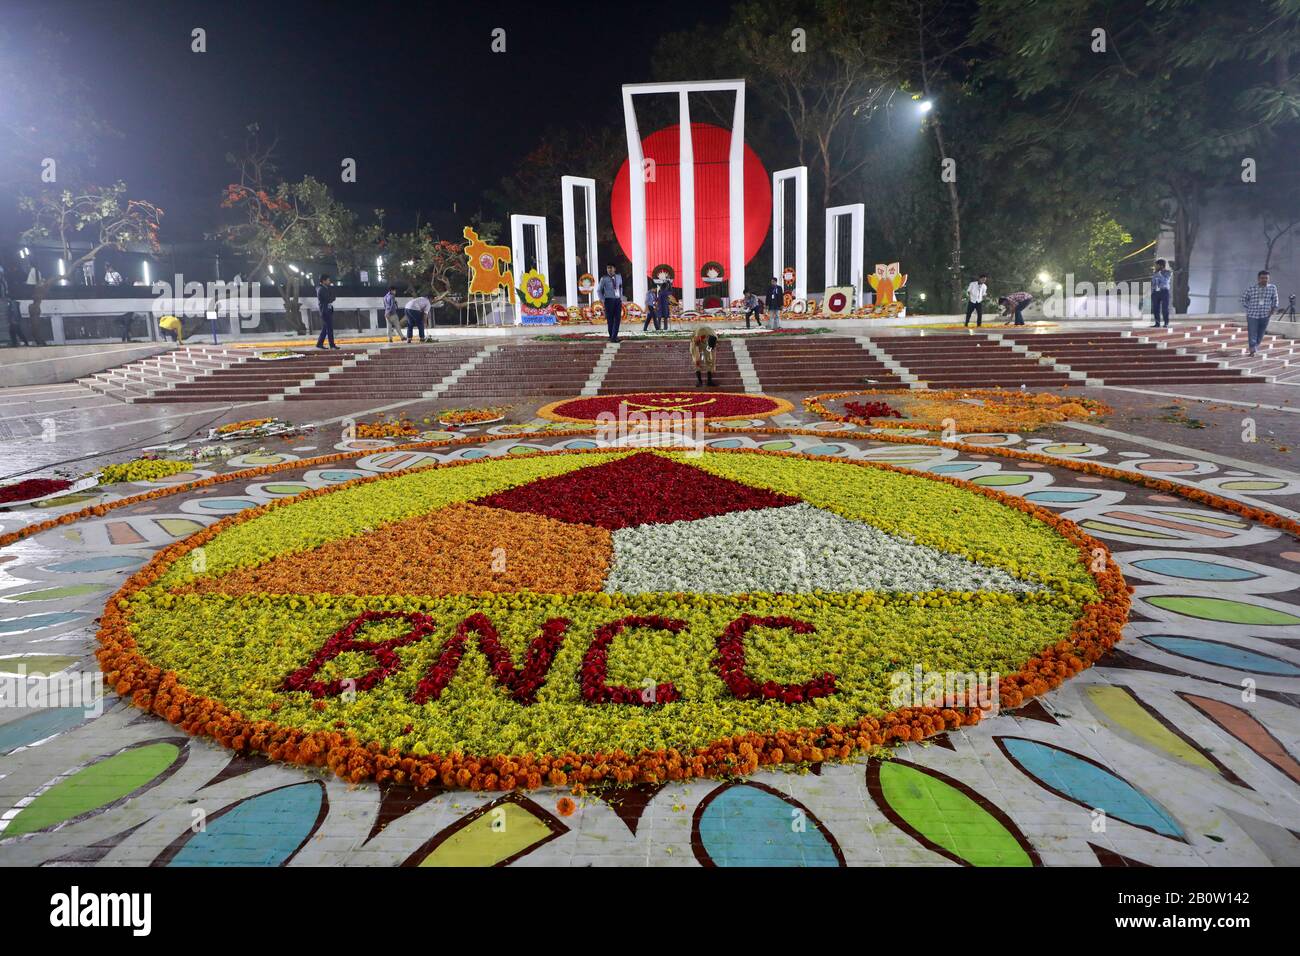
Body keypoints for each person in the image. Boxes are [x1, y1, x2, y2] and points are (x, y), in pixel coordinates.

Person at [1241, 269, 1279, 356]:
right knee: (1252, 332)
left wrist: (1273, 309)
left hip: (1265, 314)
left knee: (1261, 333)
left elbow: (1275, 299)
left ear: (1269, 279)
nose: (1264, 280)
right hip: (1252, 315)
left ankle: (1255, 346)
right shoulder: (1252, 288)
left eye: (1266, 278)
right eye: (1262, 278)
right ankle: (1252, 349)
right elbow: (1243, 299)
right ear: (1258, 279)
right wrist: (1249, 307)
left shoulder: (1272, 288)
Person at [597, 264, 624, 342]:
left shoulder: (619, 277)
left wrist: (621, 297)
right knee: (610, 319)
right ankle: (612, 336)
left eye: (611, 268)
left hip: (617, 300)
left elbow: (621, 287)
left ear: (614, 268)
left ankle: (614, 336)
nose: (609, 269)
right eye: (608, 268)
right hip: (609, 300)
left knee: (618, 318)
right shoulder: (604, 279)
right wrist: (603, 300)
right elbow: (599, 290)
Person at [315, 274, 338, 349]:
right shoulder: (321, 289)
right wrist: (332, 297)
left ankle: (319, 343)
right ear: (323, 281)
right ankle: (332, 345)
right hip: (325, 311)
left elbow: (331, 297)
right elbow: (329, 298)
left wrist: (332, 296)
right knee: (329, 329)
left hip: (327, 310)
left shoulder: (325, 288)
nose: (329, 281)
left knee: (325, 328)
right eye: (328, 280)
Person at [1150, 259, 1172, 328]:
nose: (1155, 266)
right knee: (1155, 308)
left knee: (1165, 308)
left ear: (1161, 266)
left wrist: (1159, 274)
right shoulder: (1154, 273)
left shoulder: (1168, 272)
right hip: (1155, 292)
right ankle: (1157, 323)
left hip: (1164, 291)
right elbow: (1153, 282)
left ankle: (1166, 323)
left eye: (1156, 265)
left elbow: (1165, 281)